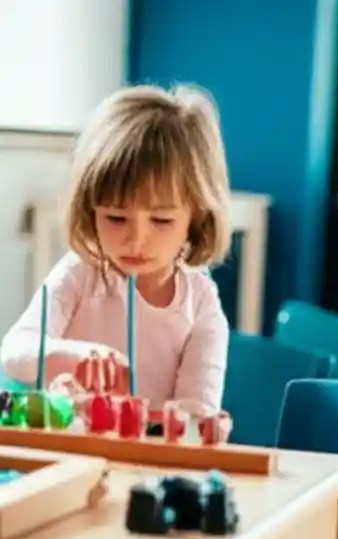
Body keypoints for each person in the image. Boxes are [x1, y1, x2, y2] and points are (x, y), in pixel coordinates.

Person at [0, 84, 232, 412]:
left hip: (147, 460)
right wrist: (77, 355)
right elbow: (14, 354)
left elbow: (197, 411)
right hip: (70, 452)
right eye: (116, 217)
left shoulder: (201, 305)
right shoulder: (80, 273)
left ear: (196, 214)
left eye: (162, 220)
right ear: (90, 207)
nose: (136, 240)